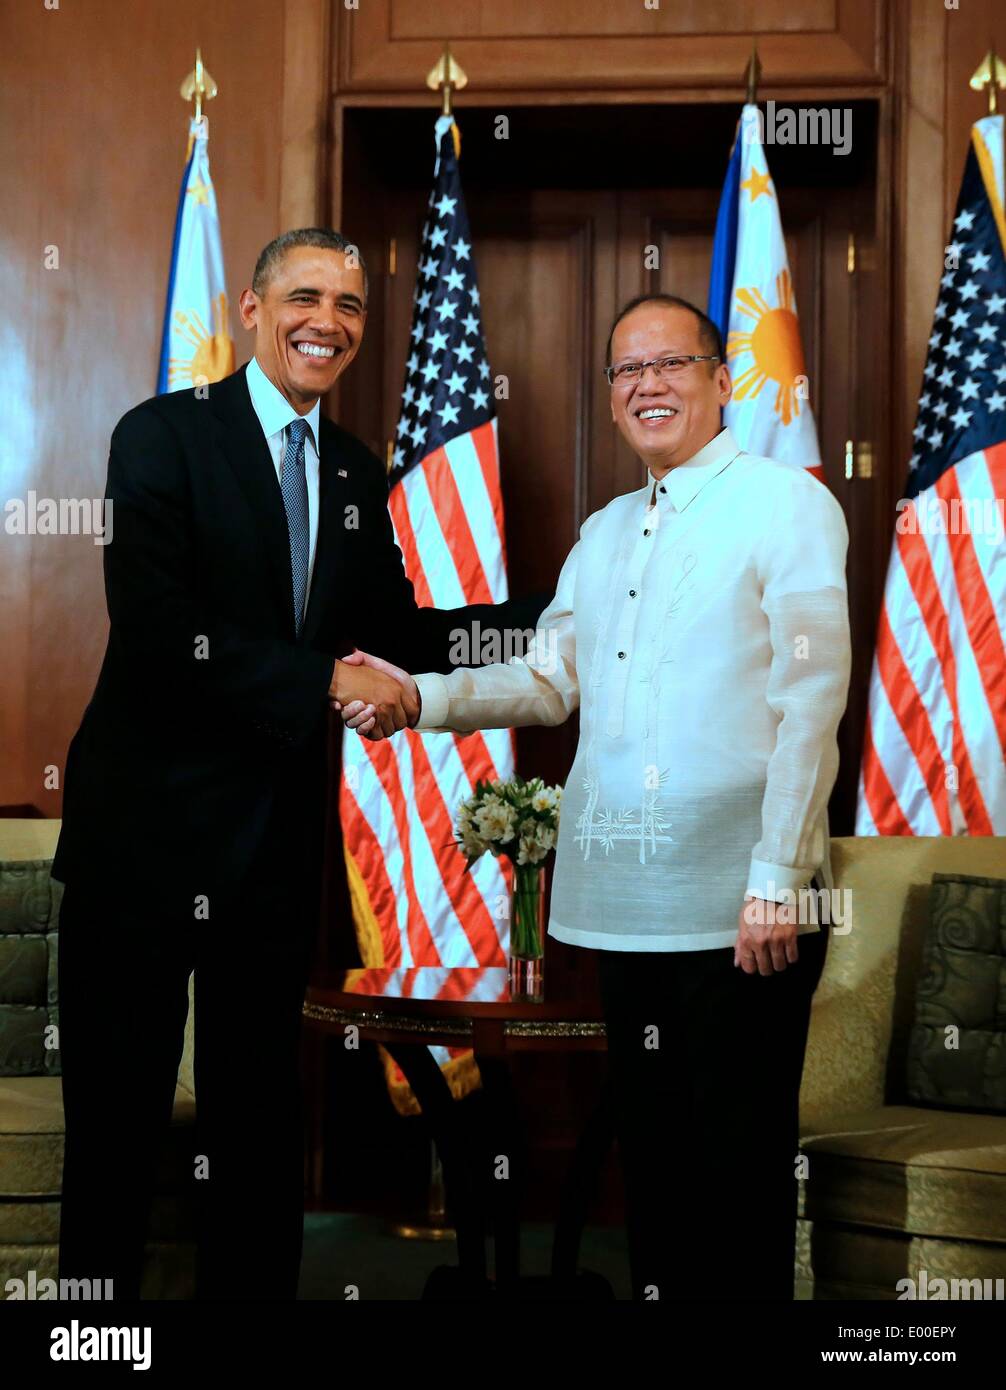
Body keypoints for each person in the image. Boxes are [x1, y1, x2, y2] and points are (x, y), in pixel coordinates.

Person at [51, 227, 544, 1300]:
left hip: (270, 852)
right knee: (118, 1125)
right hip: (139, 848)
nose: (328, 320)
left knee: (258, 1124)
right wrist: (324, 683)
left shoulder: (357, 470)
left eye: (352, 305)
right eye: (306, 296)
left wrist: (561, 620)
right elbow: (158, 631)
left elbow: (398, 636)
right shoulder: (161, 437)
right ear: (253, 312)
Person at [336, 293, 852, 1301]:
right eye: (626, 371)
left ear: (719, 379)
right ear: (611, 396)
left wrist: (779, 878)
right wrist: (418, 696)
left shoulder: (788, 503)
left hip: (743, 904)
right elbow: (546, 679)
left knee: (736, 1171)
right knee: (653, 1172)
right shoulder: (606, 528)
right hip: (626, 908)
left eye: (671, 364)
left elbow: (811, 696)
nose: (648, 384)